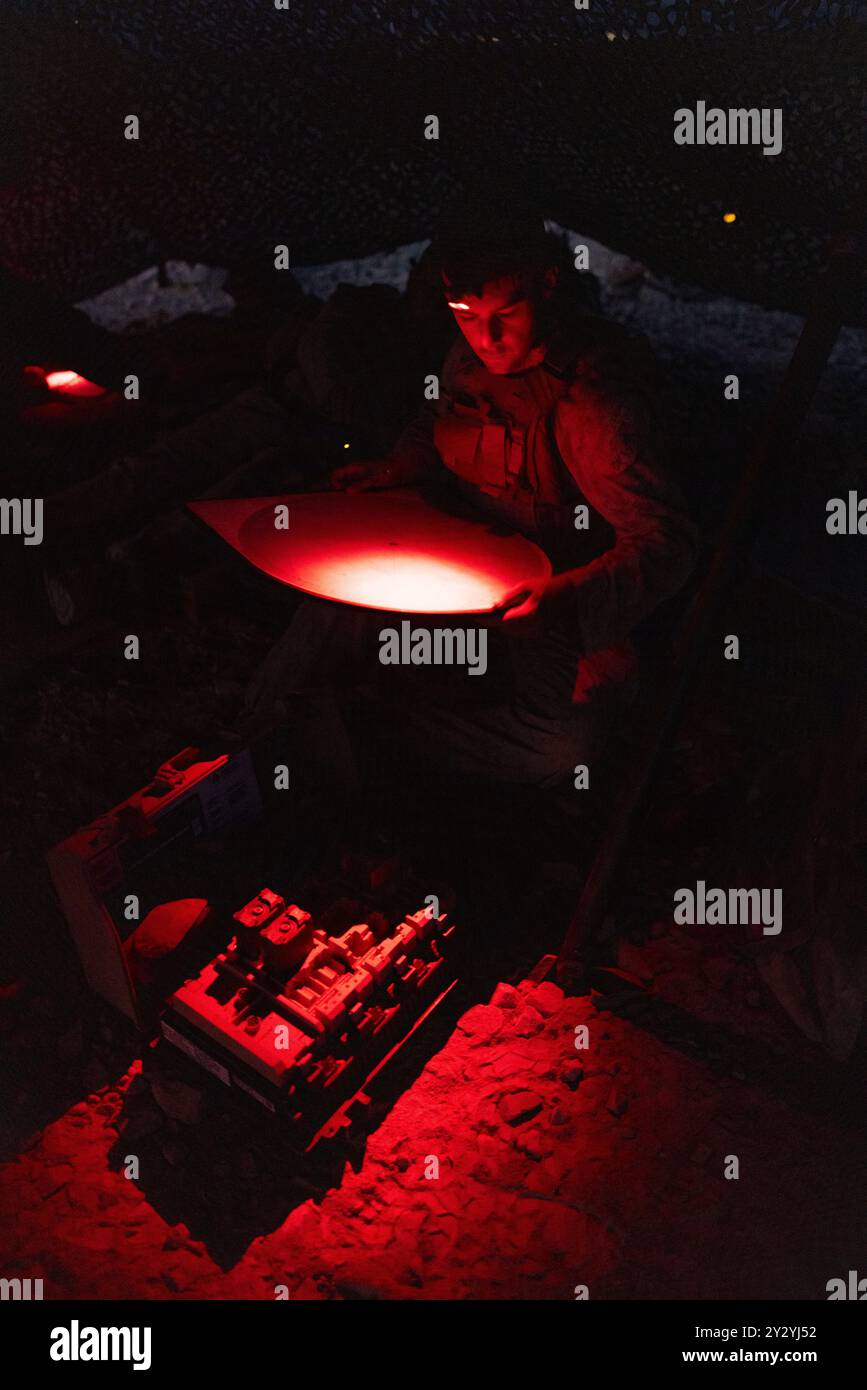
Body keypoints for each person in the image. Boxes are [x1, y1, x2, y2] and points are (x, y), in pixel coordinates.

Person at [245, 198, 698, 792]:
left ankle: (372, 737)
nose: (486, 337)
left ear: (548, 283)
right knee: (332, 597)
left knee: (562, 743)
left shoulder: (593, 407)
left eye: (506, 313)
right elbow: (436, 419)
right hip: (457, 572)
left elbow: (668, 543)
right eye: (465, 312)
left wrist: (567, 602)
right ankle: (247, 746)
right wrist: (398, 466)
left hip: (547, 609)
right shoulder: (465, 357)